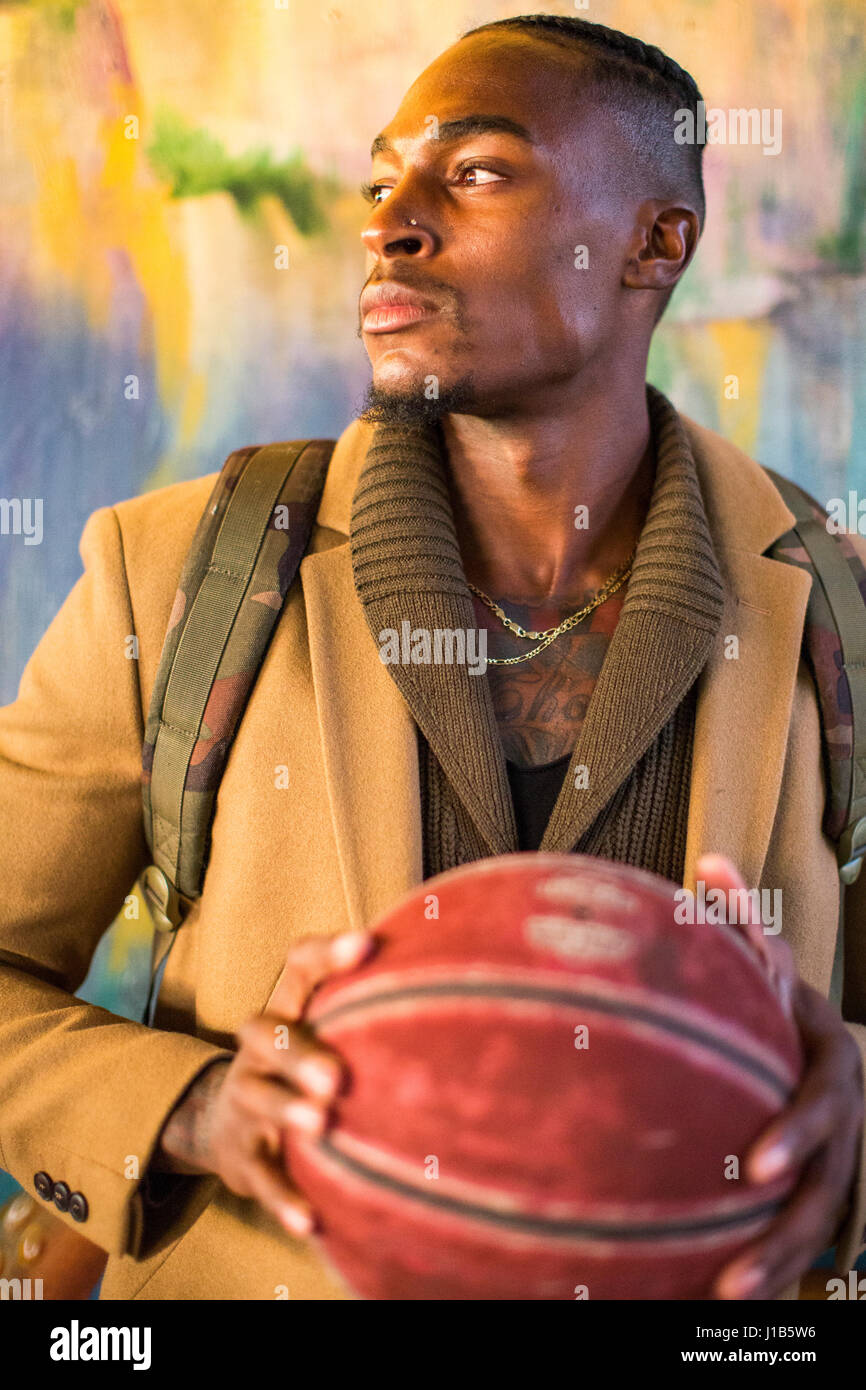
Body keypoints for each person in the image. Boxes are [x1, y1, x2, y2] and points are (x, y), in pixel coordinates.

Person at [1, 14, 863, 1302]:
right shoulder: (180, 571)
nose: (389, 222)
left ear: (656, 241)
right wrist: (190, 1108)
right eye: (382, 179)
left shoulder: (837, 605)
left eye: (472, 172)